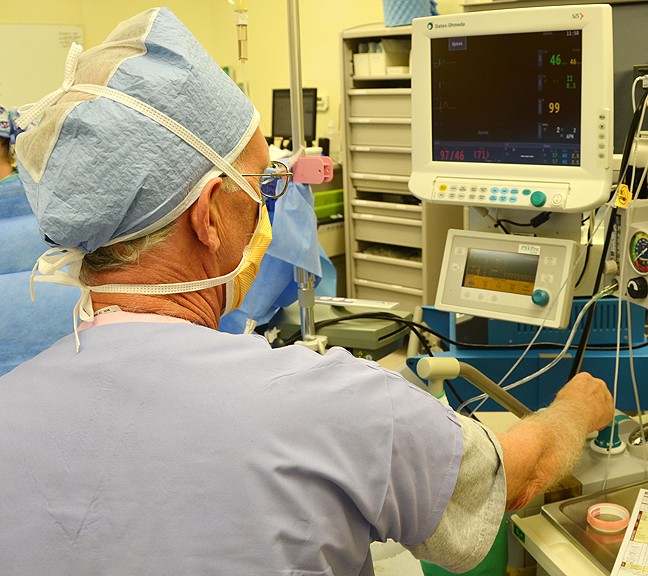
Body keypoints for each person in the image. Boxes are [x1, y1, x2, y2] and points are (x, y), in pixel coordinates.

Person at [1, 7, 613, 575]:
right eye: (262, 188)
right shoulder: (334, 407)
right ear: (208, 216)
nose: (270, 211)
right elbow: (516, 474)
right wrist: (575, 411)